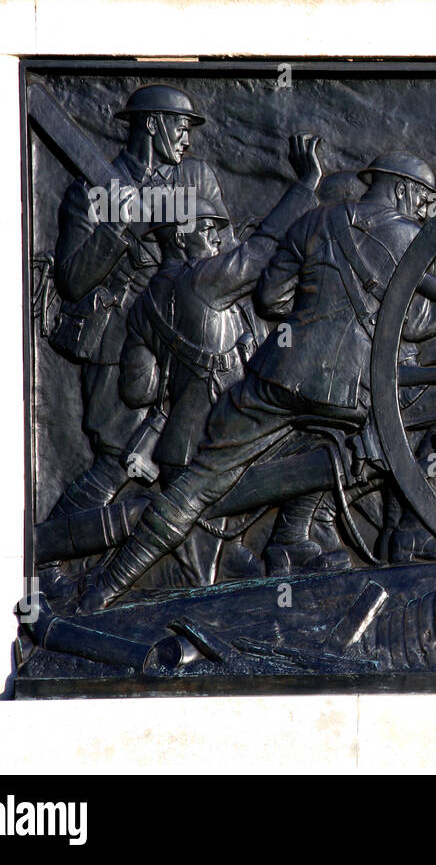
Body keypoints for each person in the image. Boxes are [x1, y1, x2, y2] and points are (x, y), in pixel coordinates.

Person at [77, 151, 436, 612]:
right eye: (423, 200)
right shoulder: (413, 240)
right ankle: (411, 536)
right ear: (403, 190)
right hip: (353, 393)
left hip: (276, 376)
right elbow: (415, 323)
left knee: (198, 484)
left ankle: (106, 587)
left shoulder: (314, 222)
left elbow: (272, 297)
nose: (425, 211)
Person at [118, 133, 343, 584]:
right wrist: (305, 185)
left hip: (181, 448)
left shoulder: (143, 305)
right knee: (327, 443)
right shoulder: (201, 281)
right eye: (209, 228)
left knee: (319, 440)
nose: (218, 237)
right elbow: (260, 253)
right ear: (181, 238)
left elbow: (136, 389)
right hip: (220, 445)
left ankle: (289, 541)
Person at [48, 84, 229, 519]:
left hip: (188, 338)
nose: (187, 140)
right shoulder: (92, 189)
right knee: (118, 461)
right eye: (181, 128)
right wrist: (114, 230)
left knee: (191, 455)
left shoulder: (196, 178)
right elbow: (71, 281)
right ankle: (55, 548)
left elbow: (223, 249)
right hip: (119, 343)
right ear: (153, 124)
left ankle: (193, 562)